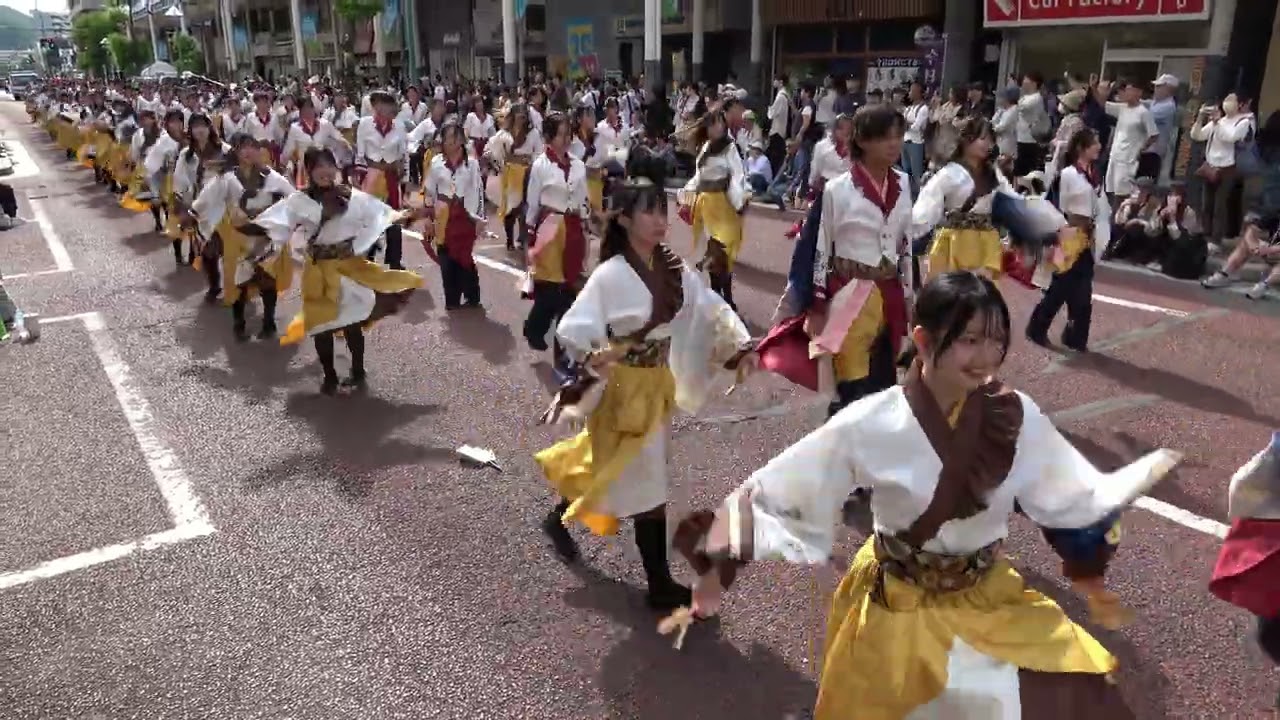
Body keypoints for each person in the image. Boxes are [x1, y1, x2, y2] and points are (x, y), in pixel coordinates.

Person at [674, 271, 1181, 719]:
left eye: (996, 341)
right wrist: (719, 564)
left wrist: (1089, 564)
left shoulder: (1014, 413)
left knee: (1076, 689)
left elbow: (1067, 491)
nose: (987, 358)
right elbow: (781, 488)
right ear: (922, 339)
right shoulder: (875, 420)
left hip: (986, 596)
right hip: (901, 606)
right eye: (968, 341)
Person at [534, 147, 756, 611]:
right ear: (626, 220)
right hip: (623, 389)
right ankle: (658, 584)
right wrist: (599, 354)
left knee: (614, 468)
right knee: (646, 480)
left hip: (656, 386)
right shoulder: (610, 275)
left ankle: (559, 517)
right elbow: (575, 329)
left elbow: (708, 308)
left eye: (662, 209)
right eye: (650, 211)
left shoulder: (674, 268)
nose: (661, 219)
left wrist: (737, 340)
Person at [756, 104, 911, 418]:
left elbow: (905, 242)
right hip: (850, 294)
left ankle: (870, 454)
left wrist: (911, 294)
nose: (894, 144)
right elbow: (820, 249)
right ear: (864, 141)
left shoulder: (904, 183)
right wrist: (815, 305)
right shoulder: (837, 190)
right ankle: (840, 448)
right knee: (852, 384)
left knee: (884, 382)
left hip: (890, 294)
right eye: (885, 137)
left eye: (898, 136)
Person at [254, 147, 425, 394]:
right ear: (310, 171)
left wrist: (406, 216)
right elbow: (276, 224)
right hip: (317, 272)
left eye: (329, 165)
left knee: (352, 321)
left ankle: (357, 370)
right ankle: (330, 376)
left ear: (336, 168)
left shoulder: (351, 196)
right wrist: (258, 242)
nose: (325, 171)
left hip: (347, 269)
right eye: (318, 166)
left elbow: (380, 213)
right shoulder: (298, 200)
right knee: (320, 324)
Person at [186, 134, 296, 341]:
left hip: (265, 237)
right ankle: (239, 323)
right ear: (236, 152)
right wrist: (192, 213)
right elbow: (206, 197)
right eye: (242, 147)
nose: (247, 151)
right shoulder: (227, 178)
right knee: (239, 282)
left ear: (258, 150)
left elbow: (293, 196)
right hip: (239, 239)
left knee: (267, 279)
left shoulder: (271, 176)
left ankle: (269, 321)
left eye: (252, 147)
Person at [1026, 128, 1109, 352]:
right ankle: (1038, 329)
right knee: (1061, 287)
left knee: (1081, 289)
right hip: (1070, 237)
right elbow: (1060, 206)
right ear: (1082, 148)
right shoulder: (1069, 174)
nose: (1099, 146)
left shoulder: (1093, 174)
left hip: (1085, 238)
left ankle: (1075, 336)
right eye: (1095, 142)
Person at [523, 113, 590, 372]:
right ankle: (538, 331)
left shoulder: (578, 166)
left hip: (573, 230)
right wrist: (529, 235)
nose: (565, 139)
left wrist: (586, 223)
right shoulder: (540, 166)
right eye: (560, 134)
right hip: (549, 230)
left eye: (567, 133)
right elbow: (532, 202)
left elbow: (583, 200)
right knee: (553, 291)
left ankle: (560, 348)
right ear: (549, 137)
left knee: (570, 292)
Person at [678, 109, 749, 310]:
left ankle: (726, 295)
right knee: (710, 251)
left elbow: (738, 175)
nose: (718, 126)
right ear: (707, 128)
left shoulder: (729, 148)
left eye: (720, 122)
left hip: (723, 205)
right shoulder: (706, 148)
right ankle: (716, 294)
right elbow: (698, 176)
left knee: (723, 250)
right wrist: (686, 193)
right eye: (713, 123)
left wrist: (739, 200)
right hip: (706, 206)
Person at [424, 123, 485, 310]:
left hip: (465, 215)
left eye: (453, 136)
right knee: (445, 257)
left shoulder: (472, 163)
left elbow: (479, 191)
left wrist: (479, 219)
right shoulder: (436, 163)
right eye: (446, 137)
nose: (449, 140)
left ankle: (472, 295)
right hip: (443, 215)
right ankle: (452, 298)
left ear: (460, 140)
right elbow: (428, 192)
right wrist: (428, 218)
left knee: (464, 256)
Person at [1190, 93, 1257, 253]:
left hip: (1228, 167)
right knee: (1207, 203)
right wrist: (1200, 118)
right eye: (1226, 99)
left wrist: (1217, 122)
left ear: (1239, 104)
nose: (1227, 103)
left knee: (1220, 205)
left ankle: (1215, 239)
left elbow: (1231, 137)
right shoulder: (1219, 121)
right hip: (1210, 165)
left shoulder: (1244, 122)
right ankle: (1205, 235)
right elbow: (1197, 135)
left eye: (1231, 100)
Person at [1201, 208, 1280, 300]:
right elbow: (1251, 230)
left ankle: (1264, 285)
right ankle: (1225, 273)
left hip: (1276, 253)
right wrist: (1253, 246)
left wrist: (1269, 250)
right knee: (1245, 243)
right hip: (1271, 251)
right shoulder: (1275, 214)